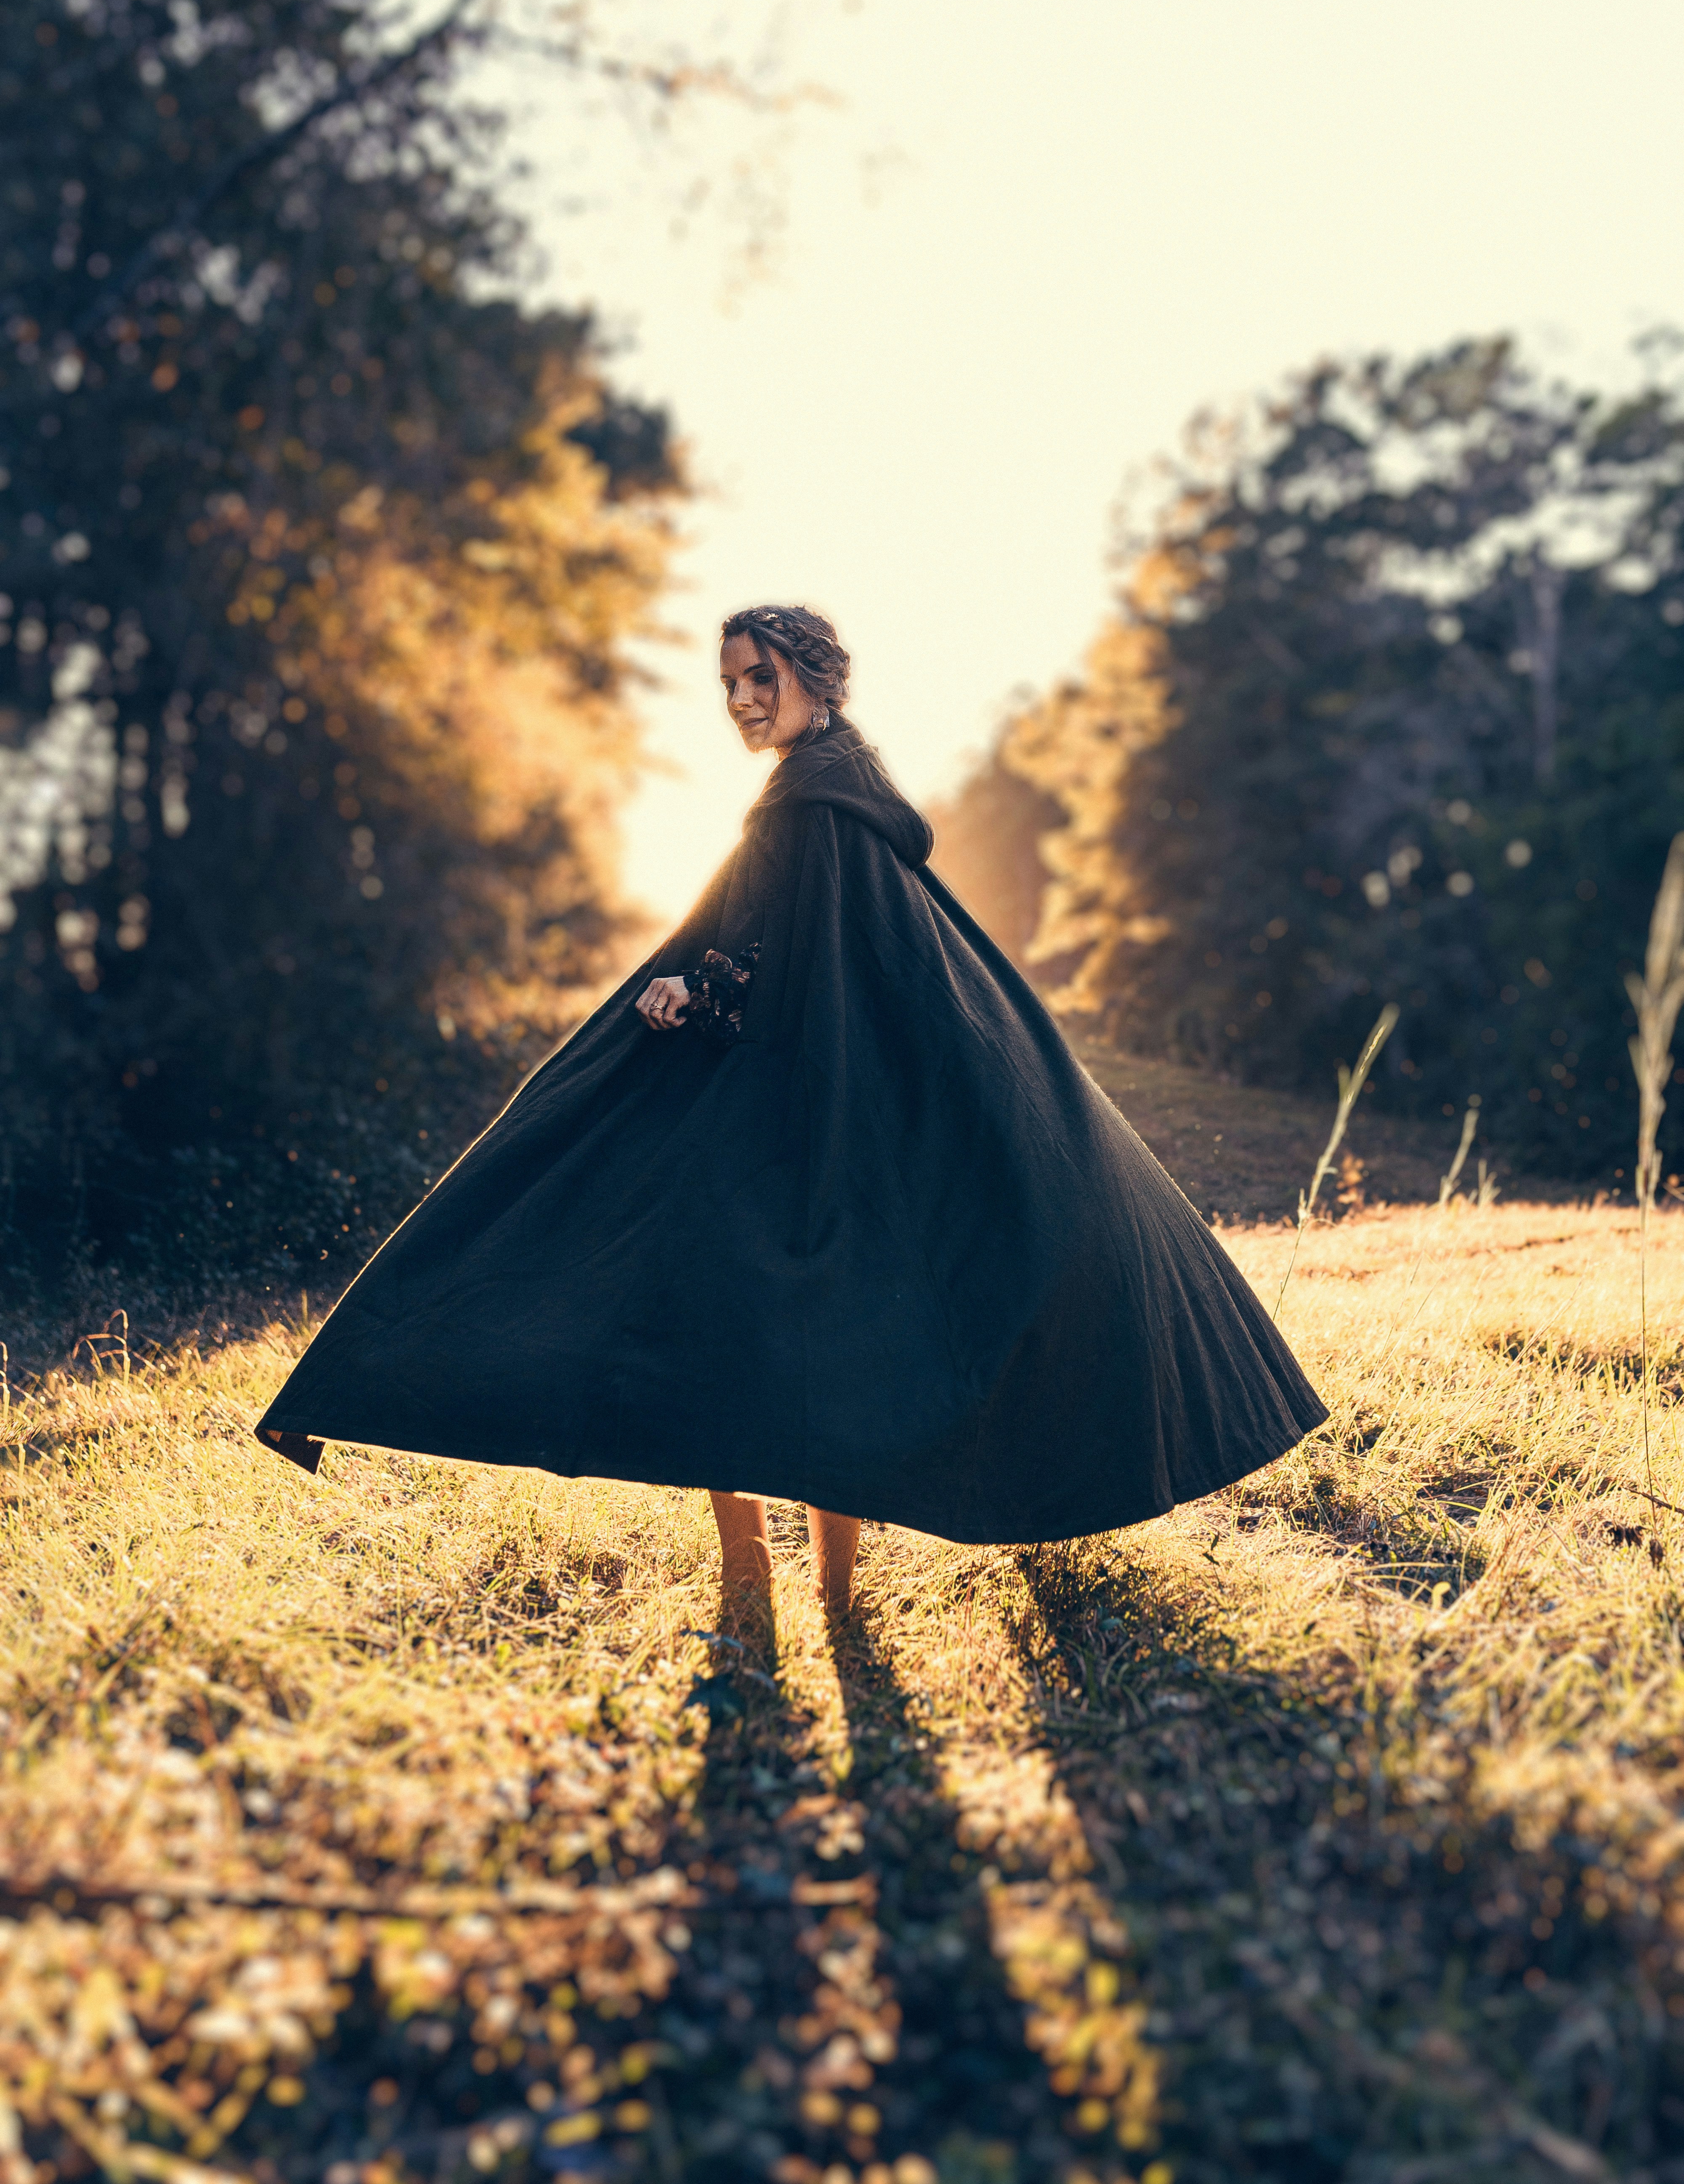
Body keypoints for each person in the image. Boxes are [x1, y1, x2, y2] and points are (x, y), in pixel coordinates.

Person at [258, 603, 1325, 1619]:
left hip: (794, 1122)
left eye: (759, 678)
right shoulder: (842, 790)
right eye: (727, 683)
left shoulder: (808, 804)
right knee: (811, 1347)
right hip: (830, 1110)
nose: (741, 700)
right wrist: (709, 977)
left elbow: (781, 957)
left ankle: (760, 1585)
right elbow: (789, 942)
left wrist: (695, 991)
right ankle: (818, 1593)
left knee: (742, 1345)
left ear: (815, 678)